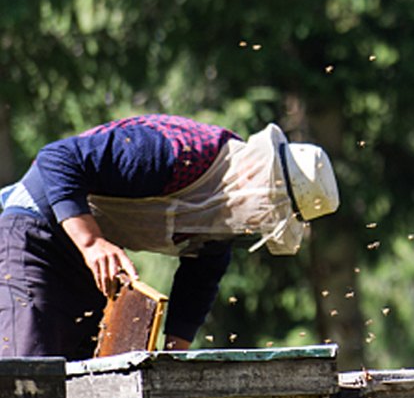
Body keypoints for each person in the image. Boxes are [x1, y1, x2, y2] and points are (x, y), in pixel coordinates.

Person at [0, 114, 339, 359]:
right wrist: (91, 243)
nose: (259, 222)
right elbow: (56, 159)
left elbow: (200, 281)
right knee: (33, 377)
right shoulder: (174, 152)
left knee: (82, 392)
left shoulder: (221, 218)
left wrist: (173, 359)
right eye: (269, 209)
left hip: (87, 264)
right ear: (257, 174)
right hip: (34, 233)